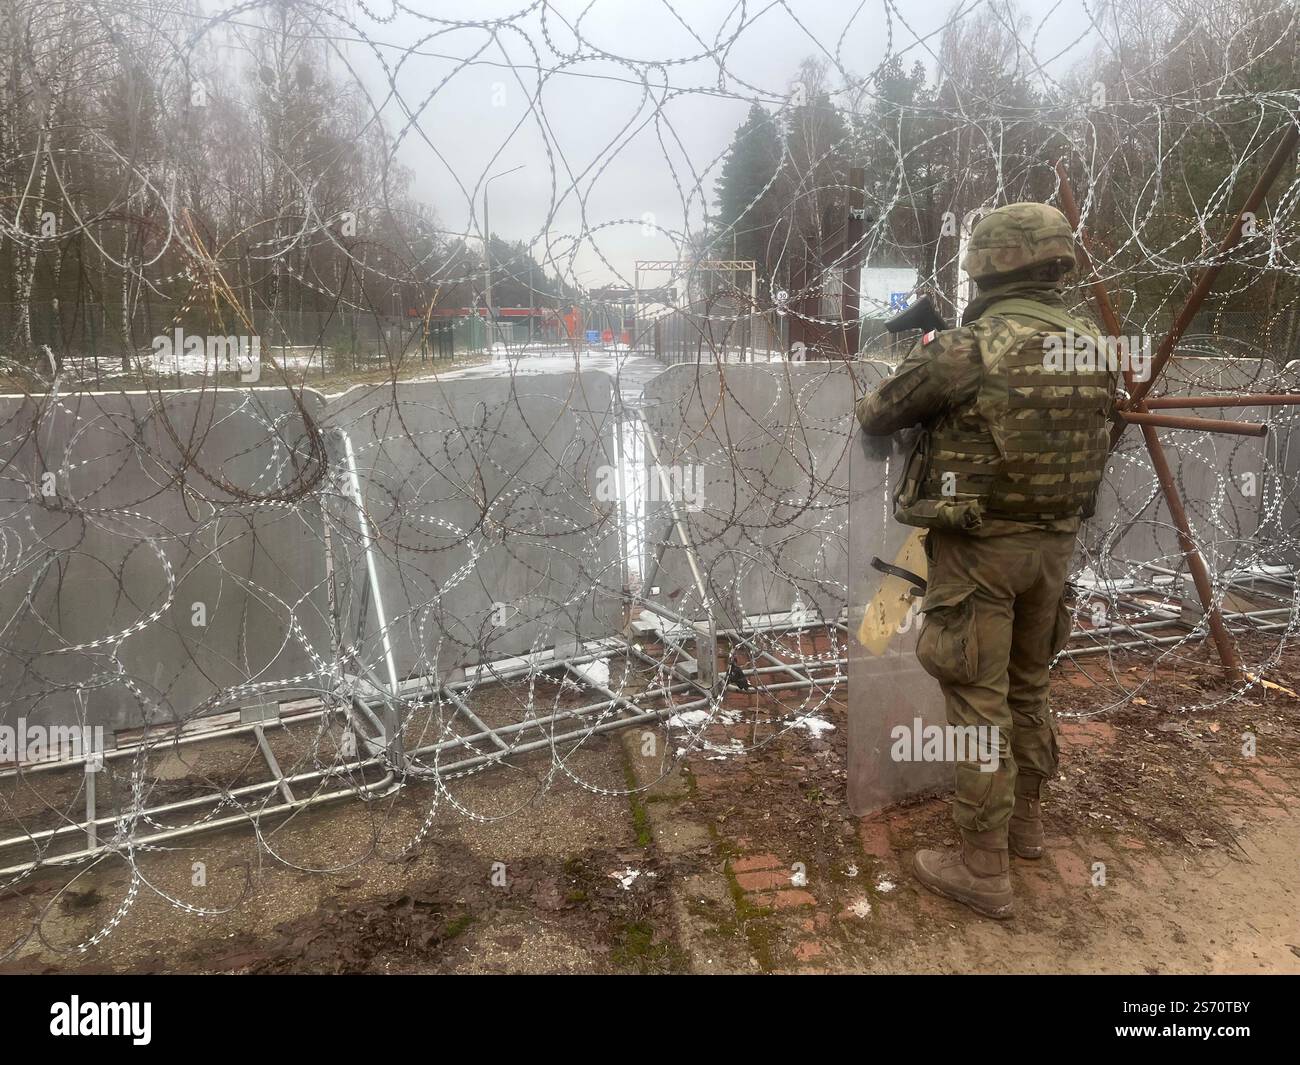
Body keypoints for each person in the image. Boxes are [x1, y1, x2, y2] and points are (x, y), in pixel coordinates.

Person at [855, 202, 1118, 919]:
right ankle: (1026, 828)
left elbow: (878, 412)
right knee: (1030, 689)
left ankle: (981, 865)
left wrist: (919, 358)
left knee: (977, 702)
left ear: (988, 264)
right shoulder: (1094, 342)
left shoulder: (971, 346)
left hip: (979, 551)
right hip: (1053, 549)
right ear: (1054, 263)